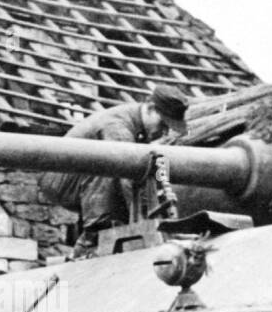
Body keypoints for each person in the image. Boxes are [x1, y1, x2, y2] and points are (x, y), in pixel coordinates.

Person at [40, 85, 190, 256]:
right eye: (163, 123)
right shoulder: (117, 127)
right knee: (111, 165)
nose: (164, 131)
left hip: (82, 178)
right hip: (61, 179)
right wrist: (145, 224)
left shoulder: (138, 124)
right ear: (150, 109)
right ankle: (92, 238)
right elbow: (126, 177)